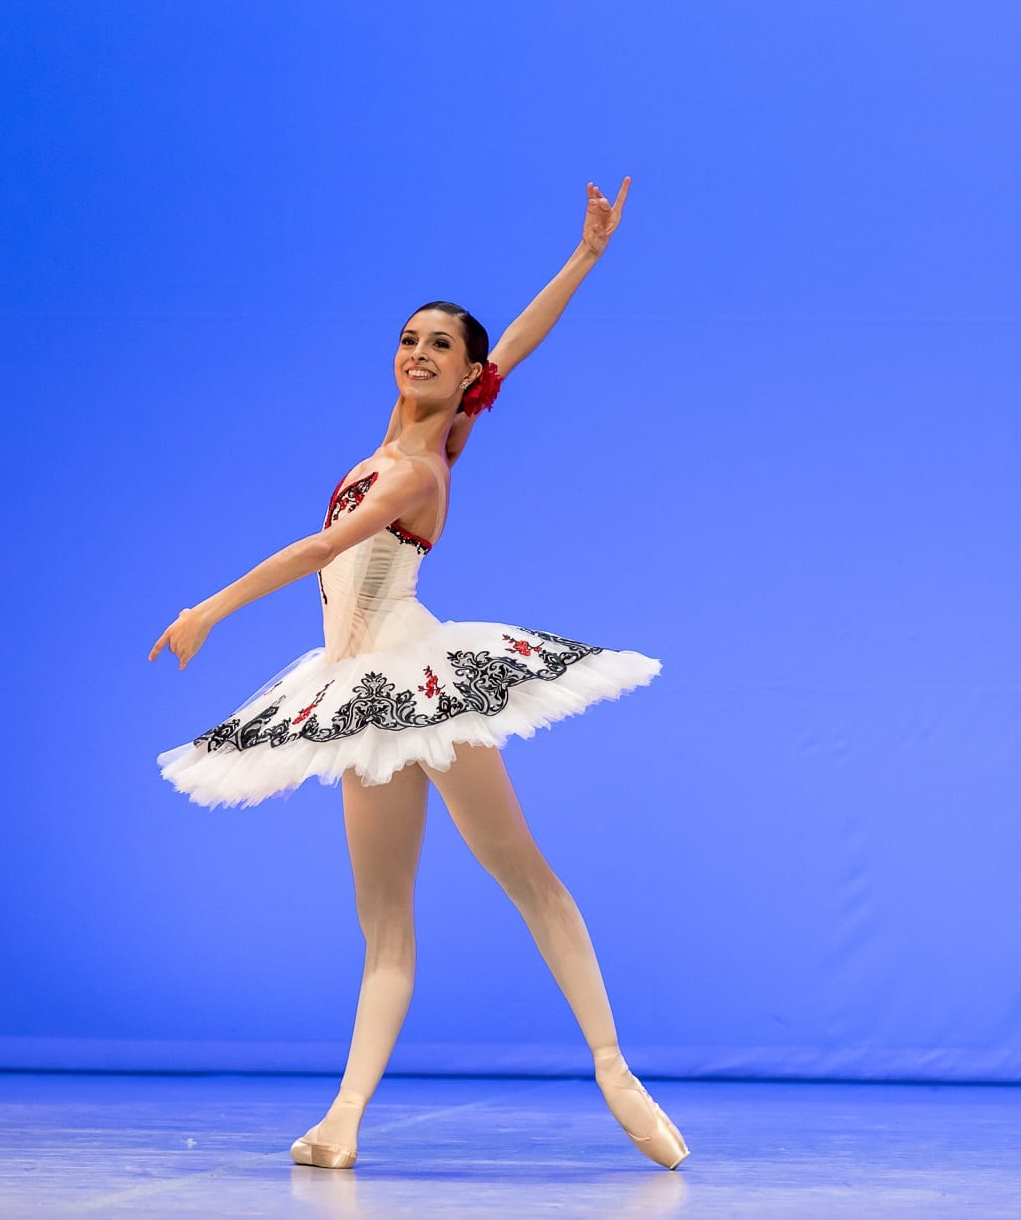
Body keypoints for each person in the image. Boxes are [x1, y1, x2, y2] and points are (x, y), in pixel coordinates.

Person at [150, 177, 686, 1171]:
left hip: (417, 679)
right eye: (410, 339)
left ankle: (613, 1068)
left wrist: (208, 611)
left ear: (463, 372)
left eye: (443, 345)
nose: (421, 353)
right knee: (383, 922)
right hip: (355, 699)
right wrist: (579, 258)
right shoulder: (389, 447)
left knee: (522, 874)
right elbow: (509, 351)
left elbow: (318, 555)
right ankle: (343, 1119)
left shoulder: (417, 470)